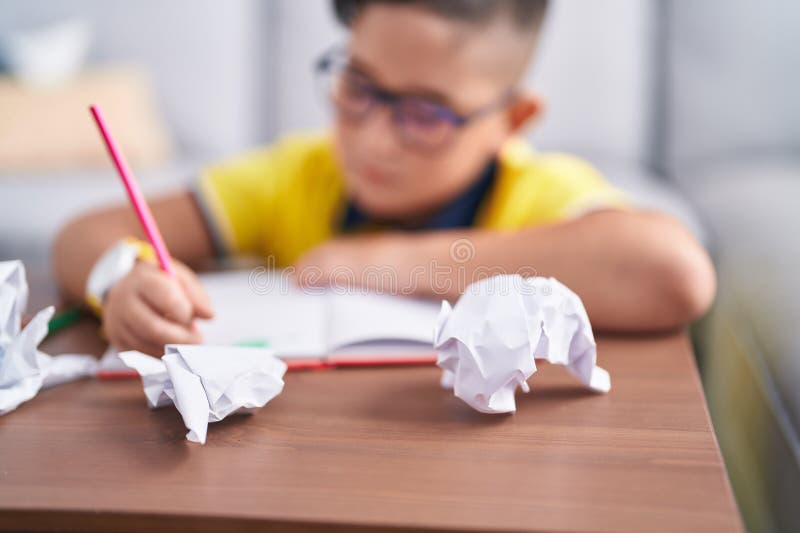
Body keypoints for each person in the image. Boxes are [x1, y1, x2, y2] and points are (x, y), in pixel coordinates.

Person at [53, 0, 716, 356]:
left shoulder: (537, 194)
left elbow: (674, 272)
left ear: (512, 119)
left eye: (426, 113)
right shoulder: (297, 174)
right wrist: (121, 279)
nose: (372, 138)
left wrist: (387, 261)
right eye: (358, 85)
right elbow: (87, 233)